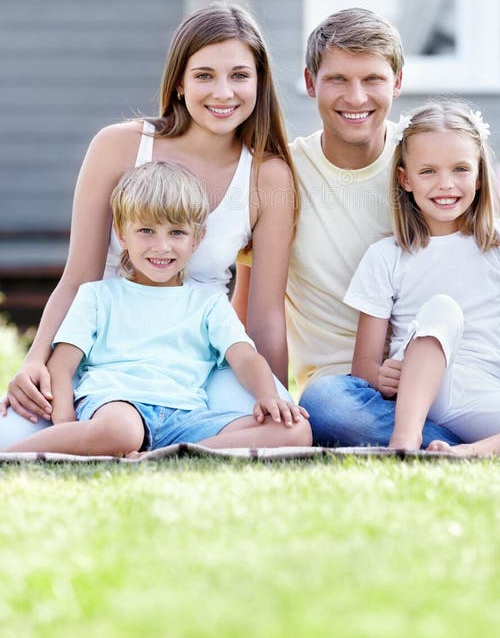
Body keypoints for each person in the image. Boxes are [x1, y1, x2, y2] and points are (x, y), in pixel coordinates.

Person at [236, 6, 500, 448]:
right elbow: (259, 305)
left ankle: (497, 439)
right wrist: (276, 409)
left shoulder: (431, 154)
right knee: (329, 403)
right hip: (363, 389)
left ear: (398, 82)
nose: (356, 97)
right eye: (338, 79)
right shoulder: (281, 176)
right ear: (311, 83)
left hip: (484, 374)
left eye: (372, 79)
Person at [0, 2, 297, 448]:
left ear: (260, 82)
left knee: (290, 431)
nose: (223, 92)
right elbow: (79, 277)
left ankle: (167, 452)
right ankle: (109, 435)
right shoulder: (119, 147)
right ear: (179, 83)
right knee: (11, 436)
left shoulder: (268, 175)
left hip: (199, 360)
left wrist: (276, 395)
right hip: (106, 352)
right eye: (204, 76)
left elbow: (266, 316)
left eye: (239, 75)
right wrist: (36, 361)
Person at [345, 100, 500, 455]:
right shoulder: (386, 255)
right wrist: (377, 377)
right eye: (428, 171)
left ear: (480, 175)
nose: (446, 184)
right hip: (423, 394)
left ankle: (469, 452)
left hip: (491, 397)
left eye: (460, 169)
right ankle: (404, 442)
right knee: (442, 310)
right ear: (405, 178)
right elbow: (364, 364)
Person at [5, 163, 310, 456]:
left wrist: (269, 397)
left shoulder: (207, 304)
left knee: (296, 431)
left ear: (197, 239)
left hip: (186, 417)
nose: (162, 247)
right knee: (123, 432)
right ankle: (10, 455)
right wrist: (67, 426)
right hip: (116, 405)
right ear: (122, 234)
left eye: (176, 232)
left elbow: (245, 357)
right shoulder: (97, 297)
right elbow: (61, 367)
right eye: (147, 231)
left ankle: (169, 454)